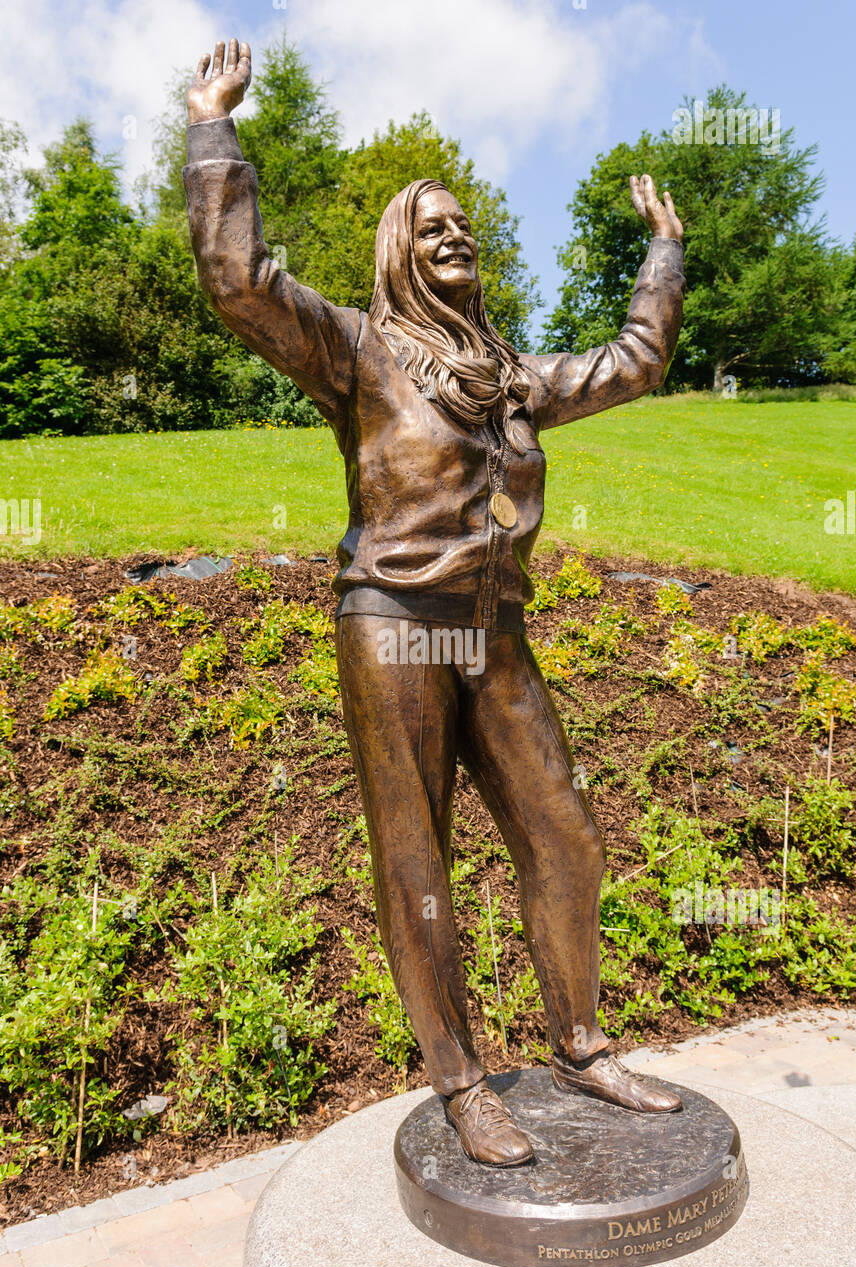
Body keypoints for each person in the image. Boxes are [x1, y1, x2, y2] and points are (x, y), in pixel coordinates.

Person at [185, 39, 687, 1167]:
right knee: (416, 860)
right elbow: (238, 281)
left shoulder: (509, 377)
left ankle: (577, 1041)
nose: (452, 235)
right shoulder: (358, 352)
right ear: (397, 251)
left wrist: (662, 254)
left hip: (492, 634)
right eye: (430, 226)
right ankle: (458, 1077)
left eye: (464, 224)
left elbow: (633, 362)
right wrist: (213, 132)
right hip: (392, 624)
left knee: (563, 833)